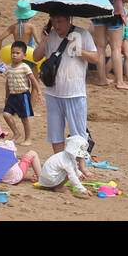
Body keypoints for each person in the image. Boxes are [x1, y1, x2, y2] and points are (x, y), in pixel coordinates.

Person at [39, 11, 99, 154]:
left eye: (60, 21)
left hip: (75, 92)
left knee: (79, 132)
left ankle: (80, 166)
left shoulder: (82, 34)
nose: (57, 25)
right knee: (55, 133)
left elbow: (96, 58)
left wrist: (79, 50)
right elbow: (36, 57)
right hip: (53, 91)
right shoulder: (50, 35)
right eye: (54, 21)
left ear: (68, 19)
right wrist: (43, 41)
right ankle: (59, 162)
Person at [1, 42, 40, 145]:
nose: (14, 55)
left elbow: (33, 80)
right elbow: (7, 82)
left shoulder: (25, 67)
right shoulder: (8, 68)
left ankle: (28, 138)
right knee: (6, 114)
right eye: (13, 53)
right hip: (12, 96)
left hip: (23, 96)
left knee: (24, 118)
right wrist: (6, 96)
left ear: (24, 55)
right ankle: (16, 133)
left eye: (17, 53)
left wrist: (39, 91)